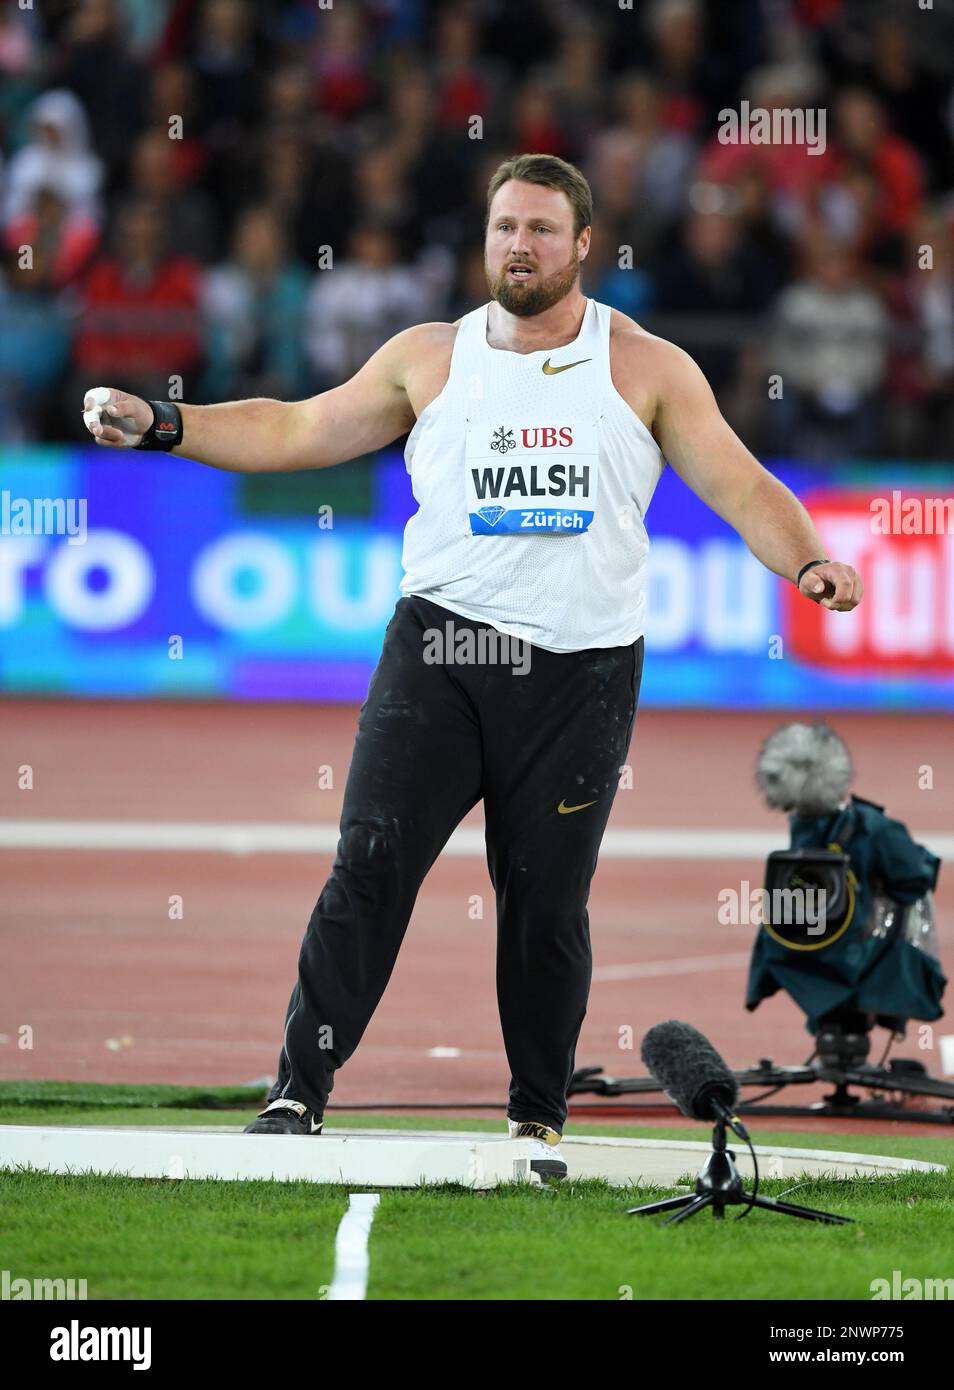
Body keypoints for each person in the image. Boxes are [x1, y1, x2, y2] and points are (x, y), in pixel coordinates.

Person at [81, 152, 863, 1180]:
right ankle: (293, 1095)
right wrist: (167, 425)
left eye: (542, 229)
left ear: (585, 245)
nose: (520, 246)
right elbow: (301, 425)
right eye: (504, 228)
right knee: (369, 863)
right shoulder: (429, 357)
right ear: (483, 239)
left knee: (544, 901)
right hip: (442, 654)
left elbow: (743, 483)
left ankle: (537, 1120)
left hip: (582, 676)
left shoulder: (647, 367)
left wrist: (806, 557)